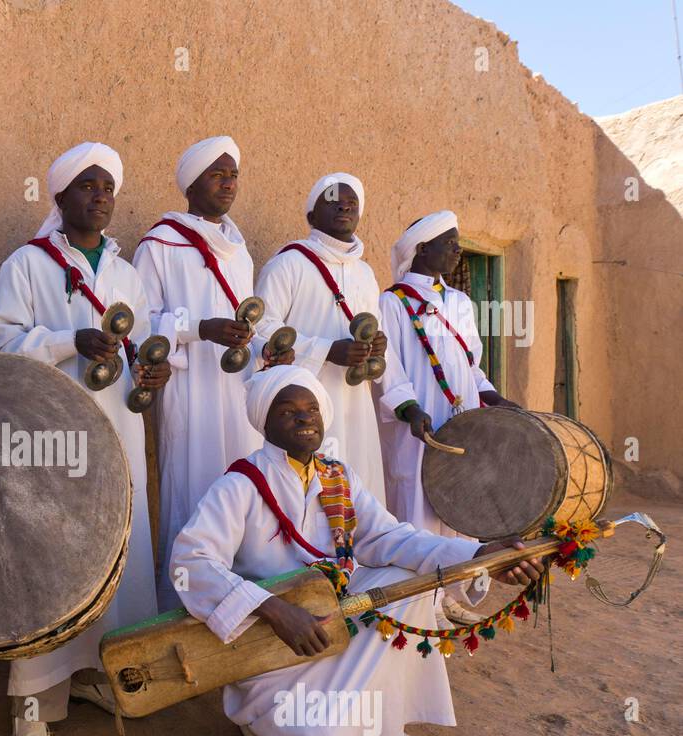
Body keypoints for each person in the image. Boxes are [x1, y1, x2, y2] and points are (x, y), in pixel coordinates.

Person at [169, 365, 542, 736]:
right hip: (275, 648)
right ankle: (267, 724)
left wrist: (477, 556)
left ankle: (381, 727)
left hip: (332, 617)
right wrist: (271, 607)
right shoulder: (239, 486)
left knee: (412, 580)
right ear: (264, 423)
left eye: (311, 409)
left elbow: (388, 538)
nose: (304, 419)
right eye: (288, 411)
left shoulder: (337, 476)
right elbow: (191, 561)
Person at [0, 142, 167, 736]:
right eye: (86, 187)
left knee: (116, 552)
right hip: (51, 441)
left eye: (107, 188)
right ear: (58, 198)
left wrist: (151, 373)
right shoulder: (27, 265)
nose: (99, 197)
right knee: (52, 565)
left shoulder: (125, 274)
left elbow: (142, 345)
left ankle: (98, 673)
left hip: (118, 431)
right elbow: (3, 347)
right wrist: (69, 341)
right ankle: (33, 703)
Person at [133, 136, 290, 610]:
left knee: (240, 494)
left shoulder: (238, 251)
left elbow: (250, 319)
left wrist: (266, 349)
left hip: (237, 395)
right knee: (193, 495)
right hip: (189, 393)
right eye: (216, 175)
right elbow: (140, 322)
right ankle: (184, 613)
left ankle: (243, 609)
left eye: (233, 174)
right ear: (191, 184)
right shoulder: (160, 243)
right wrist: (199, 329)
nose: (228, 183)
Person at [376, 212, 520, 624]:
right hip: (420, 426)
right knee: (419, 507)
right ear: (422, 249)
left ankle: (451, 594)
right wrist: (409, 408)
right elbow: (389, 365)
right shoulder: (393, 302)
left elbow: (470, 365)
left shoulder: (457, 302)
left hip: (463, 419)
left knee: (460, 505)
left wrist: (495, 398)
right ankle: (422, 603)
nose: (458, 250)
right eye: (450, 243)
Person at [252, 173, 391, 504]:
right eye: (332, 200)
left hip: (355, 403)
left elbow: (373, 325)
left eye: (351, 202)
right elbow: (261, 329)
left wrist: (377, 347)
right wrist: (326, 350)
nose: (344, 204)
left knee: (359, 485)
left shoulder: (365, 274)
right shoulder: (288, 264)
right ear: (312, 216)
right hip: (304, 405)